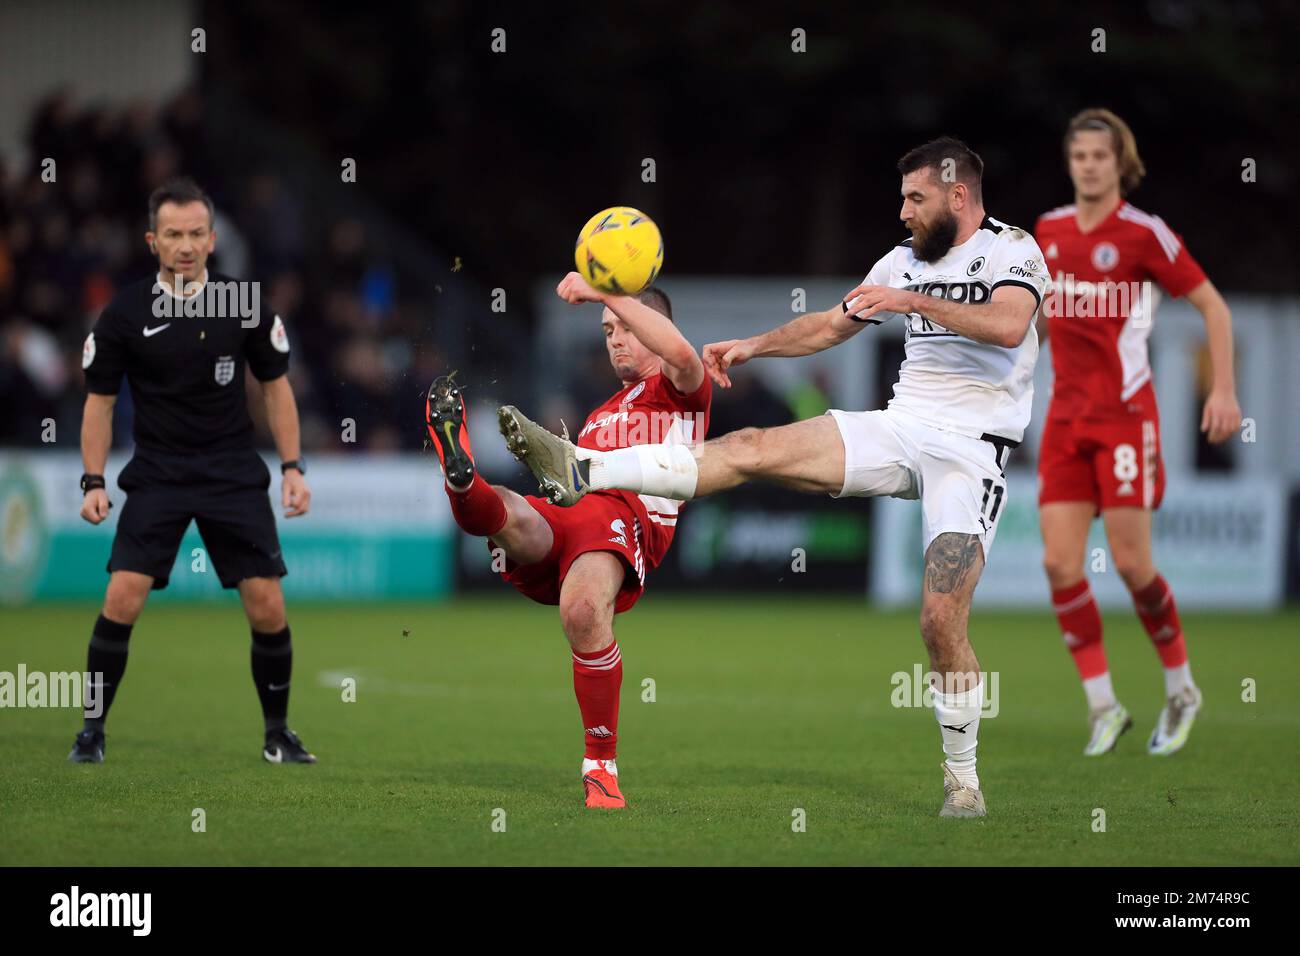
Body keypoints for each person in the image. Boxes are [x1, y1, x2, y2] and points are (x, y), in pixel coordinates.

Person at [504, 138, 1050, 819]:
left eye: (916, 197)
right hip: (903, 424)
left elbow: (1007, 325)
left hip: (973, 450)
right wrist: (752, 347)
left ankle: (963, 781)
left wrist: (910, 299)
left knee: (940, 621)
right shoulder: (899, 259)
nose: (903, 210)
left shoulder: (1013, 250)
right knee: (753, 446)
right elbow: (828, 326)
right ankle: (587, 469)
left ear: (958, 196)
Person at [424, 273, 710, 808]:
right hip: (573, 516)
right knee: (506, 513)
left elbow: (683, 353)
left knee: (581, 612)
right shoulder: (600, 414)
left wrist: (606, 291)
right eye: (606, 330)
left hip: (625, 518)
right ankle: (462, 479)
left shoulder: (680, 390)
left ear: (656, 326)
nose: (615, 339)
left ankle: (599, 767)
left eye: (624, 326)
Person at [72, 177, 316, 765]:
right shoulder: (126, 313)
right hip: (157, 472)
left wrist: (291, 467)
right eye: (174, 235)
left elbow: (276, 390)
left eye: (197, 234)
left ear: (212, 240)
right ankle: (92, 730)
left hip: (233, 471)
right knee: (122, 596)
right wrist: (94, 480)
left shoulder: (245, 303)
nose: (186, 245)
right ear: (153, 241)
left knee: (268, 605)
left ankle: (277, 733)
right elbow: (99, 404)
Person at [1034, 108, 1241, 756]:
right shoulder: (1047, 231)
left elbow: (1213, 305)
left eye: (1100, 155)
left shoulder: (1143, 234)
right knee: (1059, 563)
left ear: (1120, 163)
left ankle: (1181, 688)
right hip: (1065, 420)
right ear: (1069, 163)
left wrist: (1225, 390)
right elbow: (1038, 321)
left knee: (1131, 564)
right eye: (1079, 156)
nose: (1089, 165)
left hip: (1125, 418)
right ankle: (1103, 705)